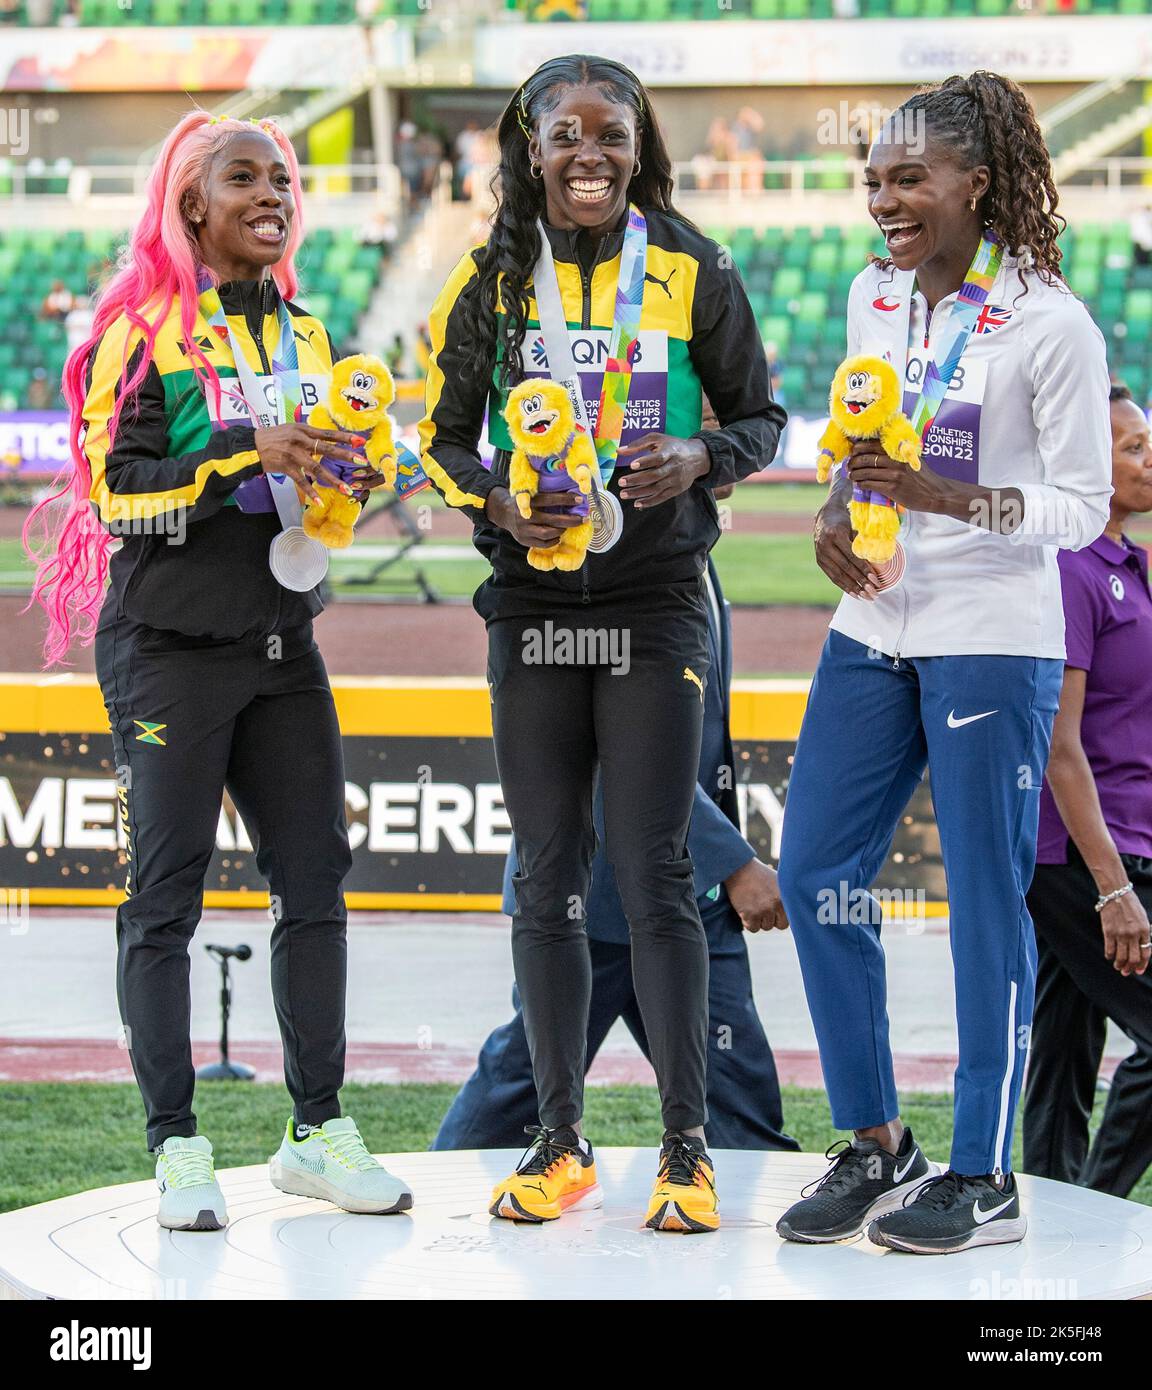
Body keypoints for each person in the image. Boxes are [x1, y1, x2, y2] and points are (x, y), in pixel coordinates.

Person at [24, 112, 410, 1232]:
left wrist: (349, 472)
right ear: (192, 205)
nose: (273, 193)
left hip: (285, 646)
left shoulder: (310, 332)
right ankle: (177, 1146)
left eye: (283, 179)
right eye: (244, 178)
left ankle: (315, 1130)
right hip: (170, 656)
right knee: (165, 899)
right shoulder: (136, 333)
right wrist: (245, 456)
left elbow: (318, 491)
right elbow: (117, 494)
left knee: (316, 885)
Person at [419, 55, 785, 1234]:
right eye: (567, 135)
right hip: (533, 605)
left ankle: (687, 1152)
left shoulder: (690, 263)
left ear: (640, 144)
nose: (591, 155)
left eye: (612, 135)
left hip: (655, 598)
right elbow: (439, 441)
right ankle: (559, 1139)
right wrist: (497, 505)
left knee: (657, 866)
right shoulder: (491, 282)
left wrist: (700, 458)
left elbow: (767, 417)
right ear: (532, 148)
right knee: (545, 875)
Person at [774, 71, 1112, 1254]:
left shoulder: (1052, 323)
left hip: (992, 636)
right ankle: (877, 1145)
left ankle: (987, 1171)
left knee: (981, 900)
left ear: (978, 181)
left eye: (909, 178)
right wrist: (834, 507)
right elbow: (859, 436)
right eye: (874, 180)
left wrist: (945, 497)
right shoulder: (876, 297)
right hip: (875, 624)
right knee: (815, 867)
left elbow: (1082, 507)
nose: (885, 201)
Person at [432, 546, 799, 1155]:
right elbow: (604, 745)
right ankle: (439, 1200)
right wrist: (732, 863)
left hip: (687, 894)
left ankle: (738, 1225)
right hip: (597, 895)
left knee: (741, 1107)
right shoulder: (598, 561)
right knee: (520, 1084)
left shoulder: (690, 549)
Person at [1024, 383, 1152, 1198]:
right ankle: (1100, 1210)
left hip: (1124, 839)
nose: (1150, 458)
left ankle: (1050, 1210)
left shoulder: (1128, 565)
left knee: (1065, 1043)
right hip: (1080, 852)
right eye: (1134, 448)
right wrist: (1112, 889)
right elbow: (1056, 746)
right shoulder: (1070, 571)